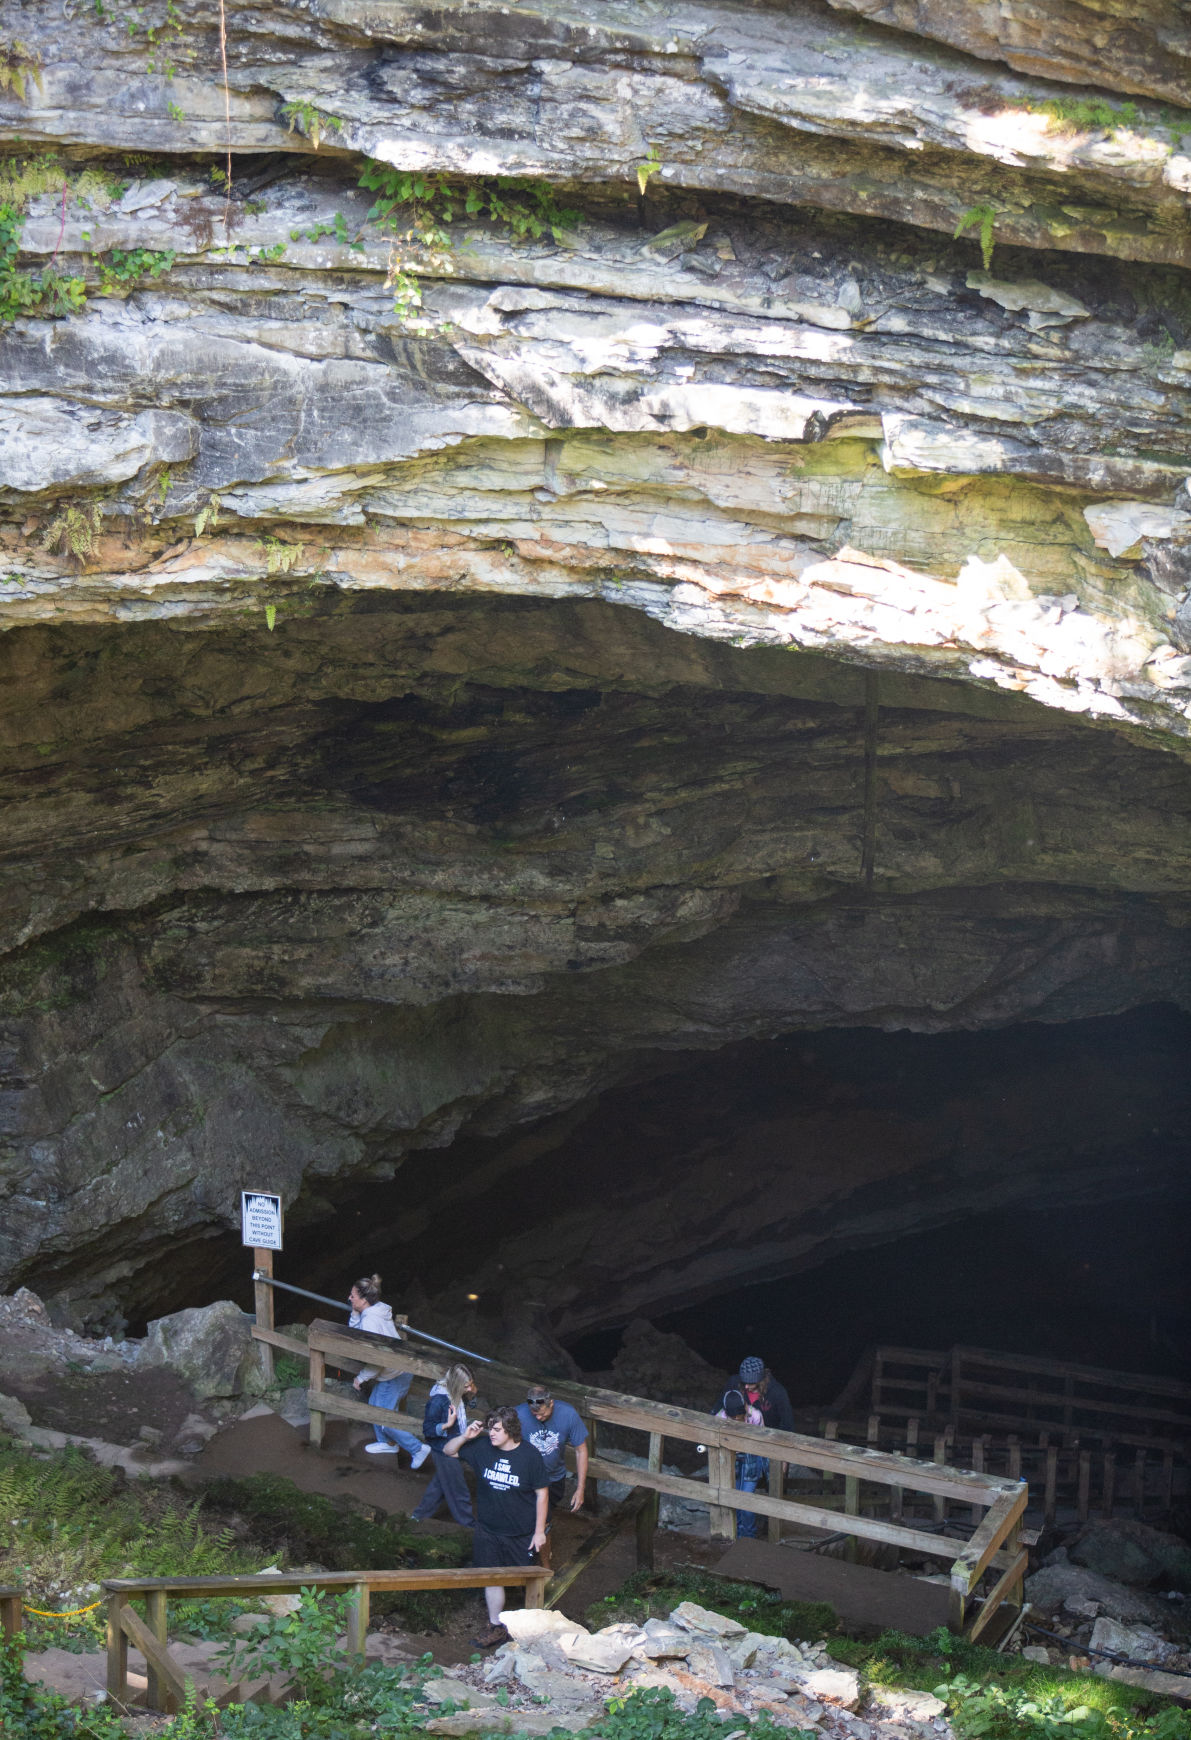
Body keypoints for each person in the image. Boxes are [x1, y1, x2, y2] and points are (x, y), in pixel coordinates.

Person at [445, 1405, 548, 1649]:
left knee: (527, 1579)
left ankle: (531, 1633)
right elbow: (448, 1451)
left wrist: (539, 1531)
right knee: (491, 1577)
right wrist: (465, 1436)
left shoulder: (530, 1456)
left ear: (511, 1431)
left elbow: (542, 1494)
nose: (491, 1433)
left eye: (497, 1429)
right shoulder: (481, 1448)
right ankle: (495, 1627)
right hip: (488, 1529)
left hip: (520, 1532)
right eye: (490, 1428)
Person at [347, 1275, 429, 1466]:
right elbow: (356, 1332)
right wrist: (355, 1311)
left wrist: (360, 1378)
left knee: (384, 1418)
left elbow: (377, 1361)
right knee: (376, 1405)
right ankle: (387, 1443)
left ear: (364, 1299)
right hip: (398, 1368)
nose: (349, 1298)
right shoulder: (376, 1310)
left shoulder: (370, 1322)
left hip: (394, 1373)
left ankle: (418, 1449)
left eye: (353, 1296)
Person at [410, 1363, 477, 1525]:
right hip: (443, 1449)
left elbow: (467, 1401)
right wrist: (446, 1425)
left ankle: (418, 1515)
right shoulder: (438, 1401)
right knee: (458, 1488)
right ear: (456, 1384)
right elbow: (428, 1430)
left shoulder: (456, 1394)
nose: (468, 1389)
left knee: (440, 1483)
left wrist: (472, 1396)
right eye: (466, 1386)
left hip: (453, 1444)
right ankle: (467, 1523)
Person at [715, 1386, 767, 1539]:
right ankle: (736, 1534)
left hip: (752, 1457)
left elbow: (764, 1440)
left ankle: (749, 1537)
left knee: (746, 1500)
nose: (738, 1421)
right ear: (726, 1414)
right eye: (734, 1419)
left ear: (745, 1407)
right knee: (733, 1498)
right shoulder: (720, 1418)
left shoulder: (756, 1416)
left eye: (740, 1417)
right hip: (731, 1458)